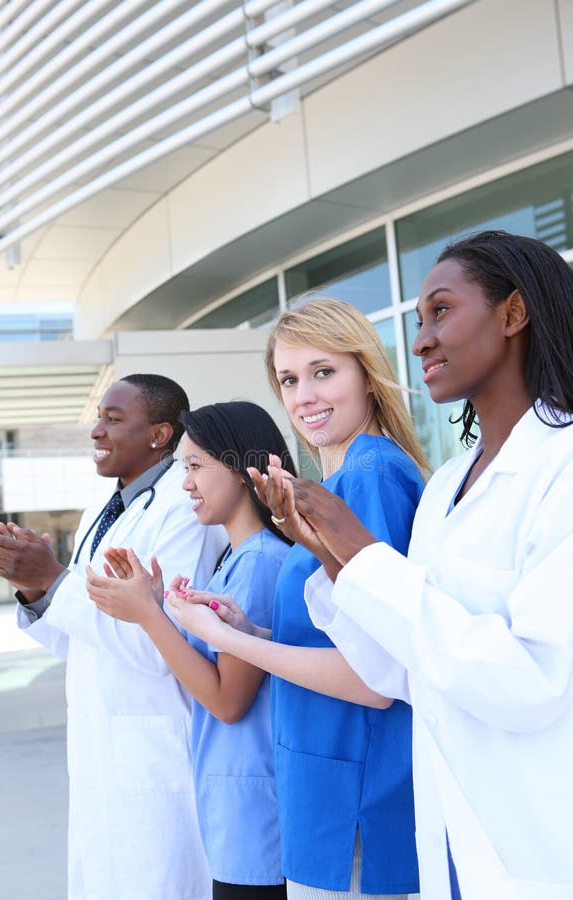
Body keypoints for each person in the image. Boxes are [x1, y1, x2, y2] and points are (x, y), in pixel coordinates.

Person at [267, 232, 573, 900]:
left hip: (535, 846)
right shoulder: (445, 488)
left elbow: (536, 680)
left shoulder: (562, 468)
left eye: (441, 312)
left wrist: (366, 557)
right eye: (417, 320)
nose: (420, 340)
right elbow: (403, 668)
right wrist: (330, 554)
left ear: (513, 315)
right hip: (449, 845)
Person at [167, 299, 427, 900]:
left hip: (356, 808)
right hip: (330, 797)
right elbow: (343, 634)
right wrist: (252, 631)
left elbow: (374, 676)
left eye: (323, 371)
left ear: (366, 371)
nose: (303, 395)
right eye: (288, 379)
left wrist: (226, 641)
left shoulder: (370, 478)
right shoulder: (341, 482)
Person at [0, 374, 226, 900]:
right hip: (99, 753)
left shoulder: (185, 509)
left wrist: (55, 579)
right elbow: (81, 639)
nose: (96, 431)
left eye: (113, 419)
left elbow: (158, 643)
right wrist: (33, 589)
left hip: (155, 756)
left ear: (160, 434)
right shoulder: (101, 511)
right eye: (98, 418)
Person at [85, 401, 295, 900]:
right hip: (235, 819)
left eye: (196, 466)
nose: (185, 484)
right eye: (183, 468)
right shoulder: (235, 560)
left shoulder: (261, 562)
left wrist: (150, 616)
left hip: (257, 825)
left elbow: (227, 702)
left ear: (244, 468)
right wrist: (158, 608)